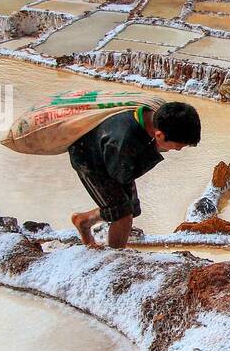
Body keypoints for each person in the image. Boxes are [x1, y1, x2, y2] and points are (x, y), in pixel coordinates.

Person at [68, 100, 200, 248]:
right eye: (177, 147)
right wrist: (154, 151)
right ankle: (113, 259)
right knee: (123, 216)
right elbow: (122, 176)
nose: (178, 150)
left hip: (113, 155)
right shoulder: (124, 140)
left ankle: (83, 221)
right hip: (89, 158)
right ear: (160, 135)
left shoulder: (151, 116)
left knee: (131, 208)